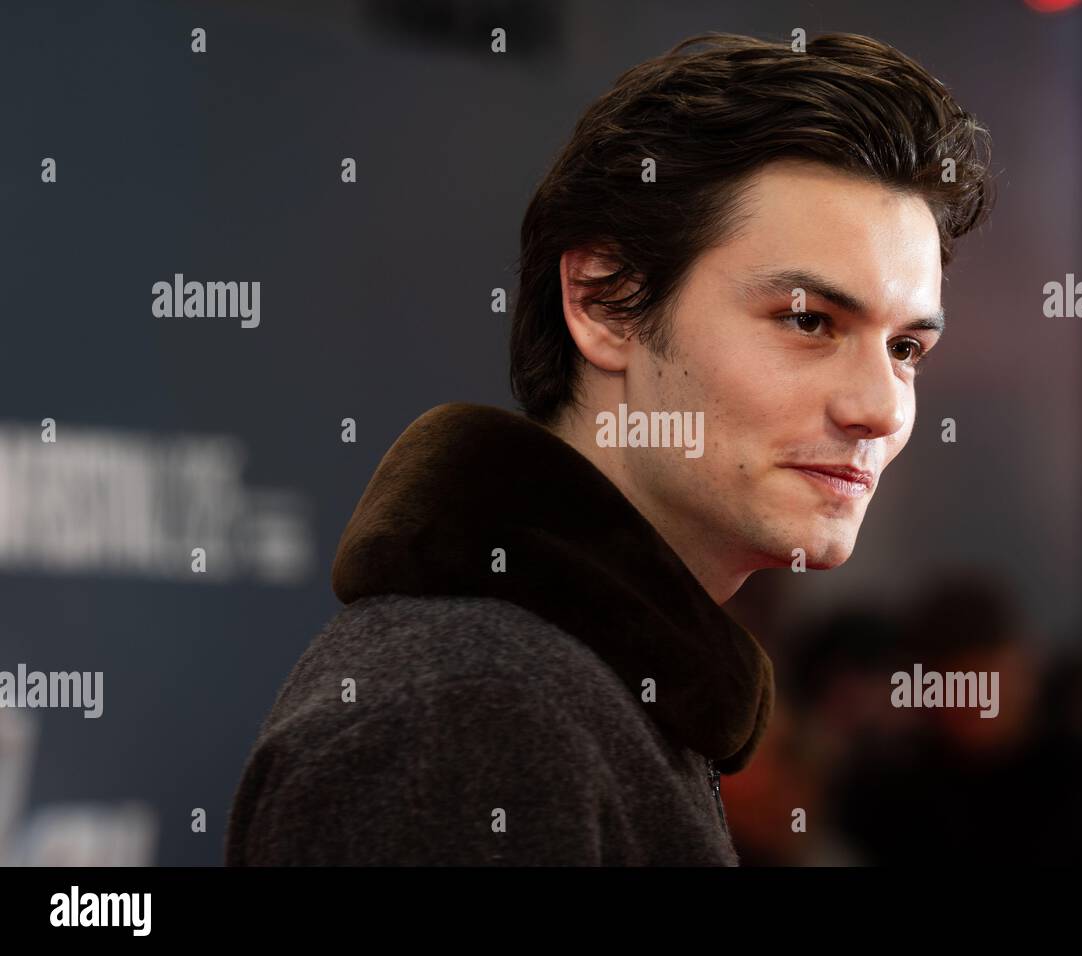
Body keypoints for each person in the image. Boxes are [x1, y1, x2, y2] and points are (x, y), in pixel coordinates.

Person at [224, 30, 993, 866]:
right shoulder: (468, 710)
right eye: (809, 321)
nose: (880, 407)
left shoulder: (579, 688)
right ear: (606, 302)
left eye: (906, 349)